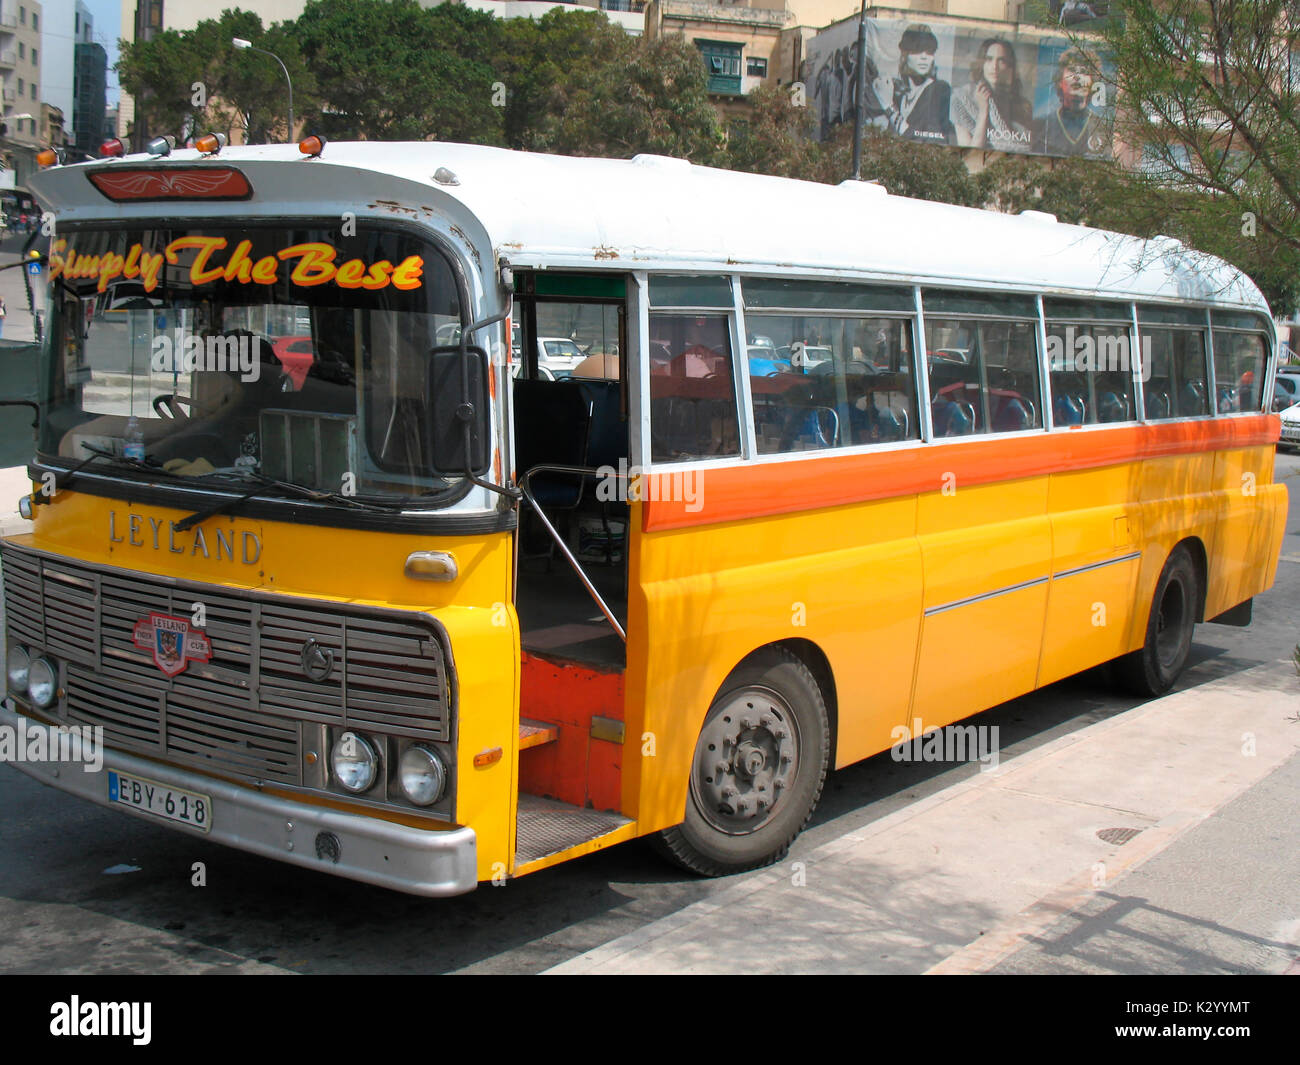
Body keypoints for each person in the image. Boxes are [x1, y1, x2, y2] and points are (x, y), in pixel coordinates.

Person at [951, 38, 1035, 152]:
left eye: (1001, 61)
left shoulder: (1023, 106)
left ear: (1010, 67)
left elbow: (1027, 149)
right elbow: (970, 154)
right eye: (989, 59)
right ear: (982, 64)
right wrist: (983, 111)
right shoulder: (962, 98)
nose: (994, 67)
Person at [880, 24, 956, 145]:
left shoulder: (939, 89)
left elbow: (929, 141)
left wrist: (889, 109)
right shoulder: (900, 97)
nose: (924, 57)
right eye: (917, 50)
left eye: (929, 52)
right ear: (905, 55)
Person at [1043, 48, 1111, 158]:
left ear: (1092, 82)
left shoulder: (1104, 129)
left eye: (1084, 72)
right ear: (1060, 81)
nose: (1077, 77)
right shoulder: (1043, 125)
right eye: (1072, 70)